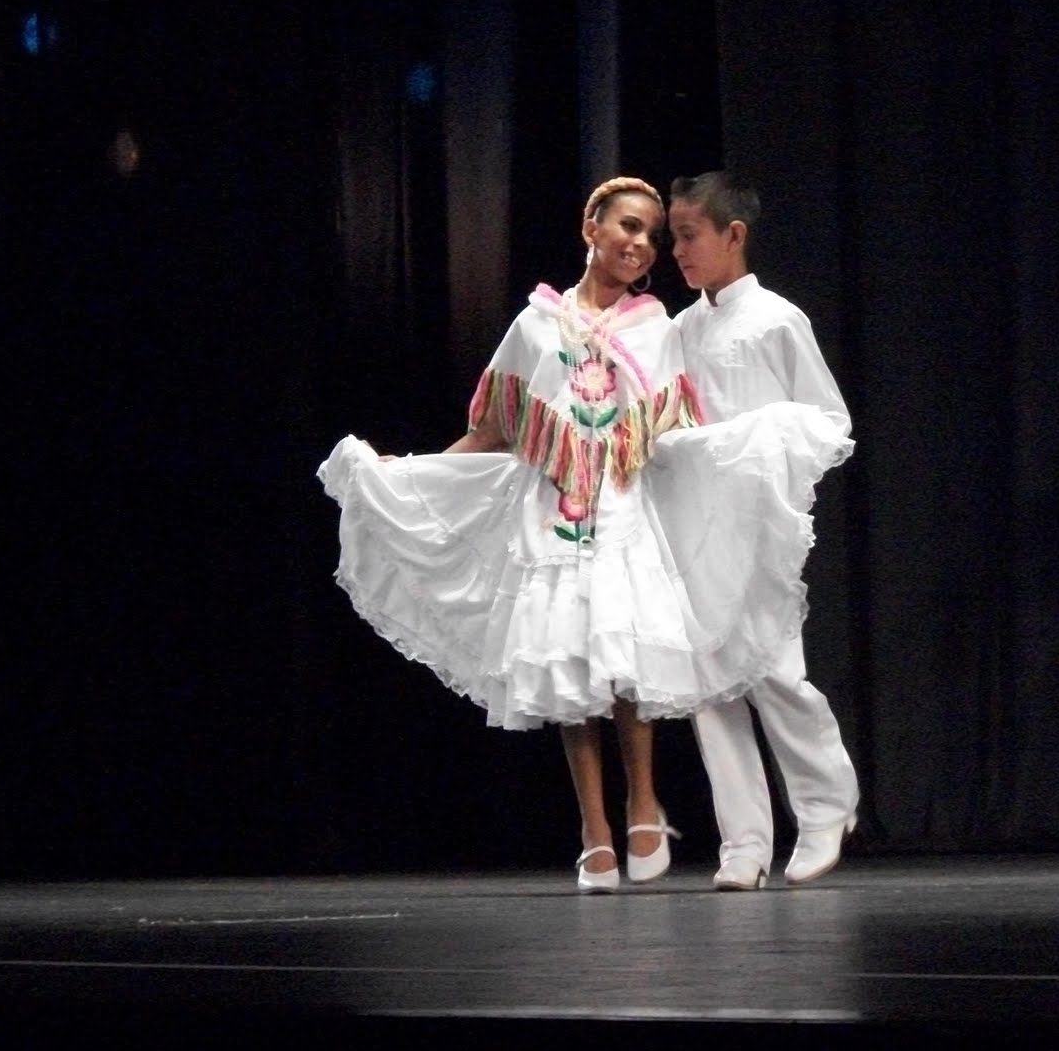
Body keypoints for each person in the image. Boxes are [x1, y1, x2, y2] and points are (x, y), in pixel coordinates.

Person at [319, 177, 760, 893]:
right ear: (591, 225)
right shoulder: (534, 325)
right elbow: (493, 426)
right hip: (551, 510)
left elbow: (676, 427)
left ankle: (642, 800)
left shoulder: (653, 326)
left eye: (651, 235)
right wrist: (416, 470)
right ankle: (593, 830)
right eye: (627, 225)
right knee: (567, 667)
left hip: (618, 504)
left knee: (622, 657)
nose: (638, 243)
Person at [665, 170, 860, 890]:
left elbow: (828, 420)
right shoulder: (681, 329)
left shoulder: (777, 320)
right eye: (674, 237)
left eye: (689, 236)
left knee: (775, 672)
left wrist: (758, 440)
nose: (678, 251)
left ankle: (823, 806)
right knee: (708, 684)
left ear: (732, 235)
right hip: (696, 521)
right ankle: (743, 841)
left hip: (758, 520)